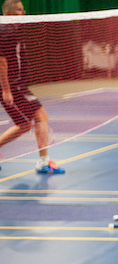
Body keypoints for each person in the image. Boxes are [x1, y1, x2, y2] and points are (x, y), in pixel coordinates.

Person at [0, 0, 64, 174]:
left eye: (23, 9)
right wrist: (6, 89)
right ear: (8, 14)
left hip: (18, 86)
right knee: (32, 120)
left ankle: (44, 161)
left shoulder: (13, 30)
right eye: (19, 10)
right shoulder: (6, 31)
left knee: (31, 121)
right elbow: (1, 62)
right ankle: (43, 161)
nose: (24, 12)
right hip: (12, 87)